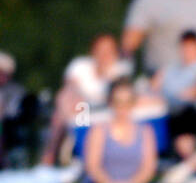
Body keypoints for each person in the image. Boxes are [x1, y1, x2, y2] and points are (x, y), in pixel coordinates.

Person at [44, 78, 158, 183]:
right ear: (110, 102)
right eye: (118, 102)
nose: (123, 107)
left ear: (133, 103)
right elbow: (93, 167)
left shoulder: (145, 131)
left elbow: (148, 167)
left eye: (128, 102)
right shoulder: (99, 130)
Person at [41, 34, 130, 165]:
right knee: (65, 104)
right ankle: (53, 154)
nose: (105, 54)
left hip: (110, 110)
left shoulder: (121, 69)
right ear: (93, 51)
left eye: (109, 49)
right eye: (101, 49)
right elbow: (69, 88)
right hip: (82, 110)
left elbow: (120, 93)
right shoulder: (80, 65)